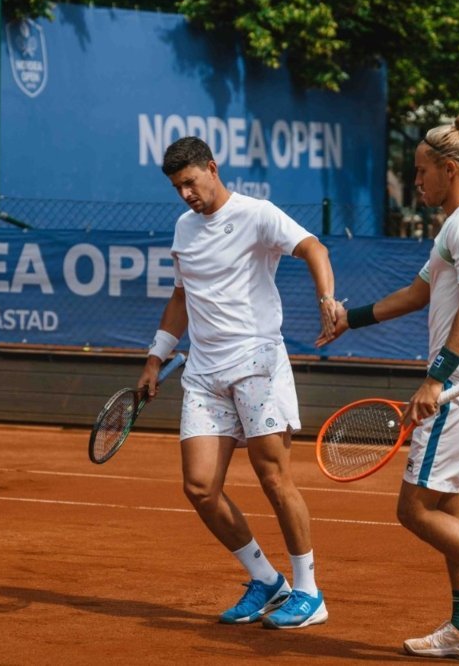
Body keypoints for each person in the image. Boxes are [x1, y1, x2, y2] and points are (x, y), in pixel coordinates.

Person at [318, 111, 459, 661]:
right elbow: (418, 294)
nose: (416, 180)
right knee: (449, 505)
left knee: (414, 509)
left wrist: (435, 378)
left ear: (449, 169)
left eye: (422, 171)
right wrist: (349, 318)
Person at [137, 136, 338, 629]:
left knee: (273, 477)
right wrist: (154, 356)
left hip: (256, 364)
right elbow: (182, 297)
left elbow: (314, 247)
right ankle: (268, 581)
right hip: (204, 374)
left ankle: (310, 591)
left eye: (190, 182)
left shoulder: (257, 213)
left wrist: (327, 299)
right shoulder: (183, 230)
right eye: (176, 187)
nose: (185, 194)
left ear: (212, 167)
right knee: (200, 487)